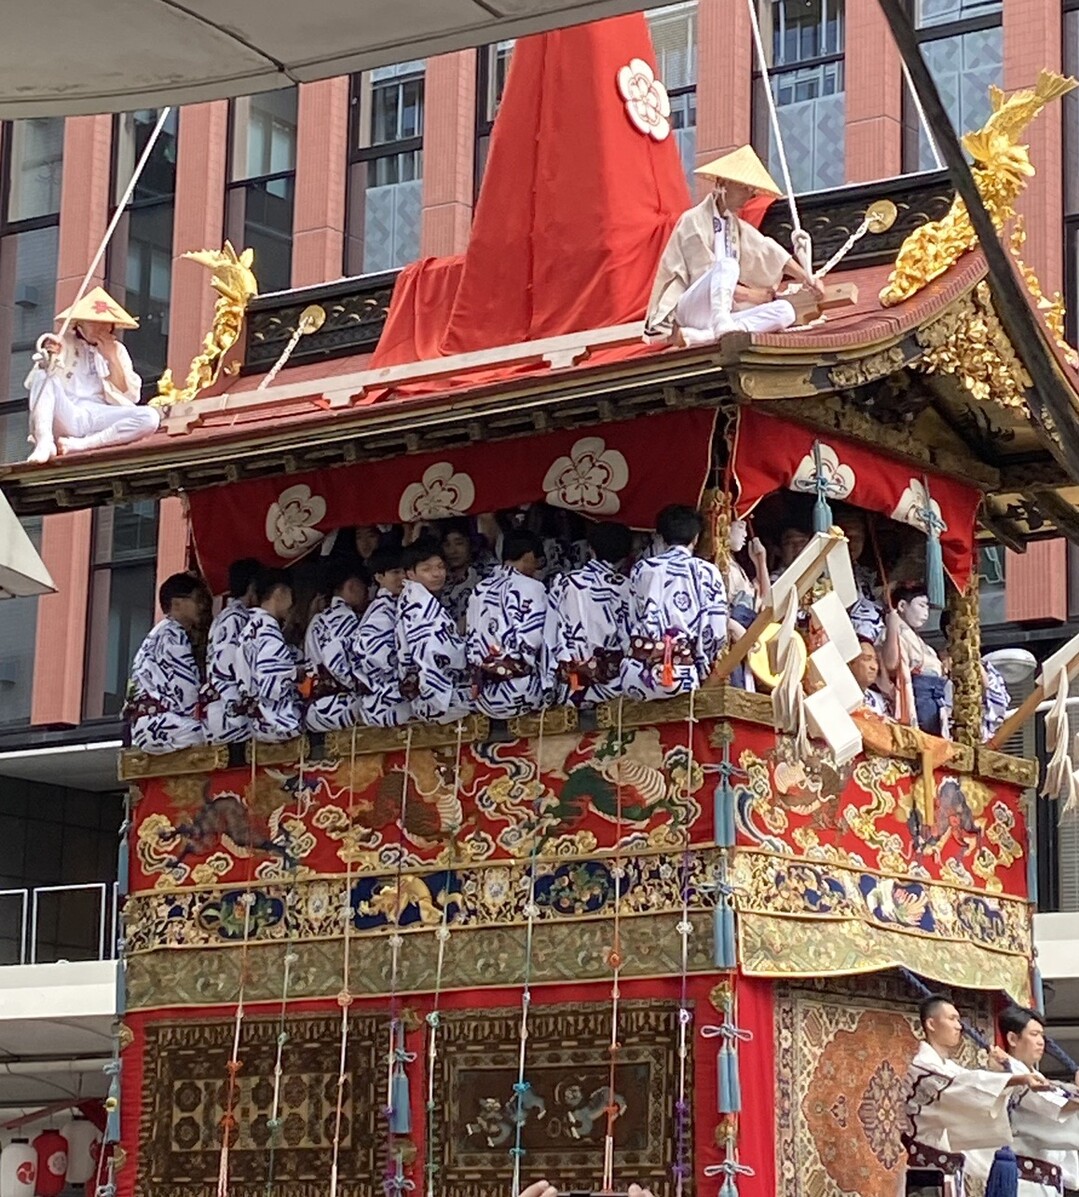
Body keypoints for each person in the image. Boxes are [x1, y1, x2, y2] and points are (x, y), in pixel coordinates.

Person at [644, 145, 824, 347]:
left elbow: (766, 250)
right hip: (690, 308)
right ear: (723, 183)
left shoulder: (733, 225)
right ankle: (720, 326)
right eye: (745, 188)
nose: (750, 196)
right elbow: (704, 276)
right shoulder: (693, 221)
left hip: (724, 312)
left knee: (785, 311)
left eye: (752, 190)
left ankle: (705, 336)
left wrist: (807, 278)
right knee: (727, 265)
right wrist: (750, 295)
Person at [903, 995, 1048, 1197]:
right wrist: (1019, 1079)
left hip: (948, 1173)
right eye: (952, 1019)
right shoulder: (922, 1066)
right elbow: (964, 1086)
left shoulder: (950, 1068)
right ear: (931, 1024)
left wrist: (1002, 1075)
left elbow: (972, 1083)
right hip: (925, 1174)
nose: (959, 1026)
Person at [25, 287, 160, 463]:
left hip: (99, 414)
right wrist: (51, 356)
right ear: (79, 324)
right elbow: (37, 382)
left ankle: (81, 445)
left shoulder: (117, 349)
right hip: (68, 411)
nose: (101, 327)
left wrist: (111, 357)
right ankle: (44, 441)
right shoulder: (63, 341)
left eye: (106, 323)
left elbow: (131, 395)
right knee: (43, 376)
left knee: (149, 417)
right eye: (94, 322)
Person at [968, 1006, 1079, 1197]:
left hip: (1046, 1183)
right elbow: (1059, 1109)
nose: (1040, 1042)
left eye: (1042, 1036)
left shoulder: (1032, 1076)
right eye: (1034, 1034)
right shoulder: (1013, 1077)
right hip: (1024, 1183)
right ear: (1012, 1038)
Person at [620, 504, 728, 700]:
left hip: (639, 674)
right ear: (696, 538)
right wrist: (705, 662)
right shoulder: (706, 571)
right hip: (684, 673)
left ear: (660, 537)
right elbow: (715, 632)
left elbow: (629, 619)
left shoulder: (642, 569)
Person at [544, 521, 633, 707]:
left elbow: (549, 638)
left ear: (590, 549)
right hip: (614, 688)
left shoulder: (564, 584)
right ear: (626, 556)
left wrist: (547, 684)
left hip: (571, 688)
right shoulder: (627, 588)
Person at [467, 530, 549, 718]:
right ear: (528, 556)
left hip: (481, 696)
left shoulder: (479, 589)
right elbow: (533, 639)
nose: (537, 568)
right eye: (537, 562)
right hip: (521, 690)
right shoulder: (531, 587)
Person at [126, 573, 206, 754]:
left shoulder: (160, 633)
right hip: (162, 723)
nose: (202, 606)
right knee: (220, 734)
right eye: (198, 599)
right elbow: (187, 693)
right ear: (177, 604)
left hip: (147, 724)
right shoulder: (173, 635)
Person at [396, 537, 472, 723]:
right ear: (410, 574)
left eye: (440, 567)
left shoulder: (418, 600)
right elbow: (431, 654)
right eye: (427, 569)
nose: (437, 573)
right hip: (434, 696)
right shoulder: (419, 607)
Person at [237, 569, 303, 743]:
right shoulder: (268, 628)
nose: (293, 603)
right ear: (280, 593)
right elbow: (271, 681)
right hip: (275, 722)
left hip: (254, 722)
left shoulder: (250, 628)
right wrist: (296, 673)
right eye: (291, 595)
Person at [303, 562, 368, 732]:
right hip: (339, 703)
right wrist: (359, 685)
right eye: (364, 588)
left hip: (314, 704)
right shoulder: (345, 617)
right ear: (352, 586)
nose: (367, 594)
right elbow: (335, 659)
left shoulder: (317, 619)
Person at [882, 583, 951, 737]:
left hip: (936, 696)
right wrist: (892, 627)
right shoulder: (894, 631)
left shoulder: (919, 640)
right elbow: (891, 663)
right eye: (921, 605)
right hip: (920, 695)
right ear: (902, 605)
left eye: (927, 607)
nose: (926, 612)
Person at [204, 557, 260, 744]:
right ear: (252, 587)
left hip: (222, 709)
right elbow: (226, 668)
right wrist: (237, 708)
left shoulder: (223, 617)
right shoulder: (237, 619)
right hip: (229, 713)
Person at [355, 547, 411, 727]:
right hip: (388, 700)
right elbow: (374, 657)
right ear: (379, 578)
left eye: (404, 571)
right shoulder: (383, 610)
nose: (402, 576)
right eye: (395, 572)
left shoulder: (395, 604)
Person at [937, 610, 1011, 742]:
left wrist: (974, 661)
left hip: (977, 729)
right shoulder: (937, 661)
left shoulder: (984, 665)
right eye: (966, 627)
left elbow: (993, 695)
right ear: (949, 630)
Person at [835, 507, 886, 644]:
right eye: (847, 536)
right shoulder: (825, 575)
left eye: (858, 537)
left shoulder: (867, 575)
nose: (852, 543)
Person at [441, 518, 496, 630]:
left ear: (471, 543)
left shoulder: (486, 572)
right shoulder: (439, 576)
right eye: (447, 545)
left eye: (459, 543)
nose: (453, 551)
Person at [850, 635, 890, 716]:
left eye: (876, 660)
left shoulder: (880, 701)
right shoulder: (839, 693)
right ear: (850, 662)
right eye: (866, 659)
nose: (874, 667)